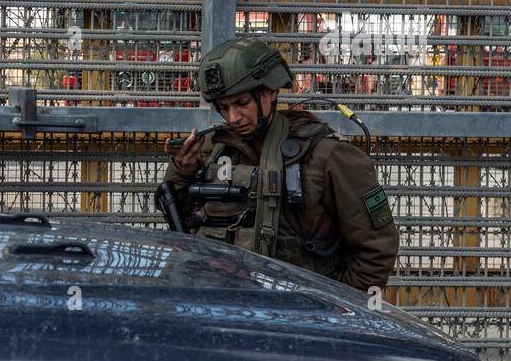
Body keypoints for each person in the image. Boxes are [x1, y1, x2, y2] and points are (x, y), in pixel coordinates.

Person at [162, 37, 399, 292]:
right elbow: (183, 224)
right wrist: (182, 171)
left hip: (300, 316)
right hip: (221, 304)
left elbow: (377, 247)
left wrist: (338, 307)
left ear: (269, 92)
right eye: (223, 107)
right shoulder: (214, 148)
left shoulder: (327, 155)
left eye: (242, 103)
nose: (233, 118)